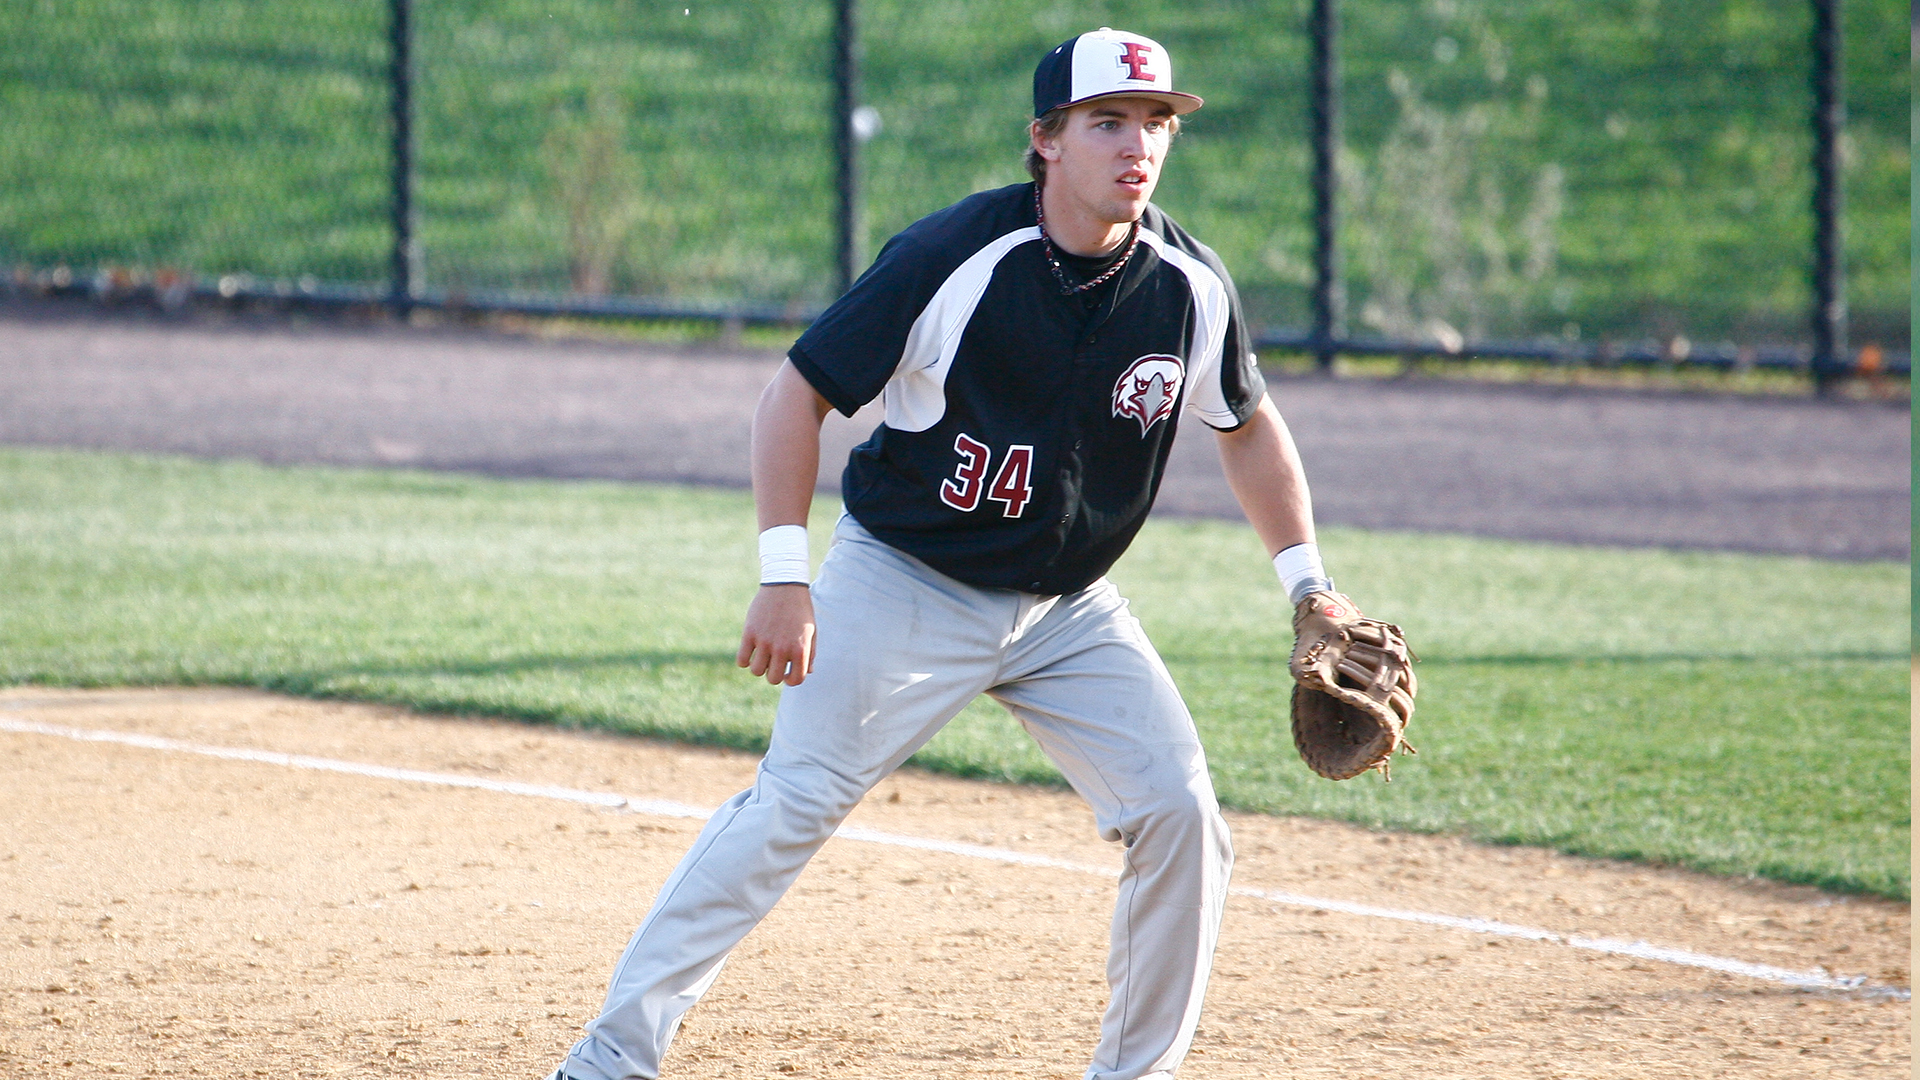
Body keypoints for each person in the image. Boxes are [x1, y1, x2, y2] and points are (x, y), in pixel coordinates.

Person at [548, 27, 1342, 1080]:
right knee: (791, 807)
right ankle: (611, 1058)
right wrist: (784, 574)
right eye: (1108, 121)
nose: (1138, 145)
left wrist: (1310, 587)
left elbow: (1246, 424)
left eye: (1156, 123)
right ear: (1046, 139)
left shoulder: (1187, 282)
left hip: (1068, 610)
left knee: (1181, 814)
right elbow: (794, 396)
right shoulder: (954, 256)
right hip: (905, 580)